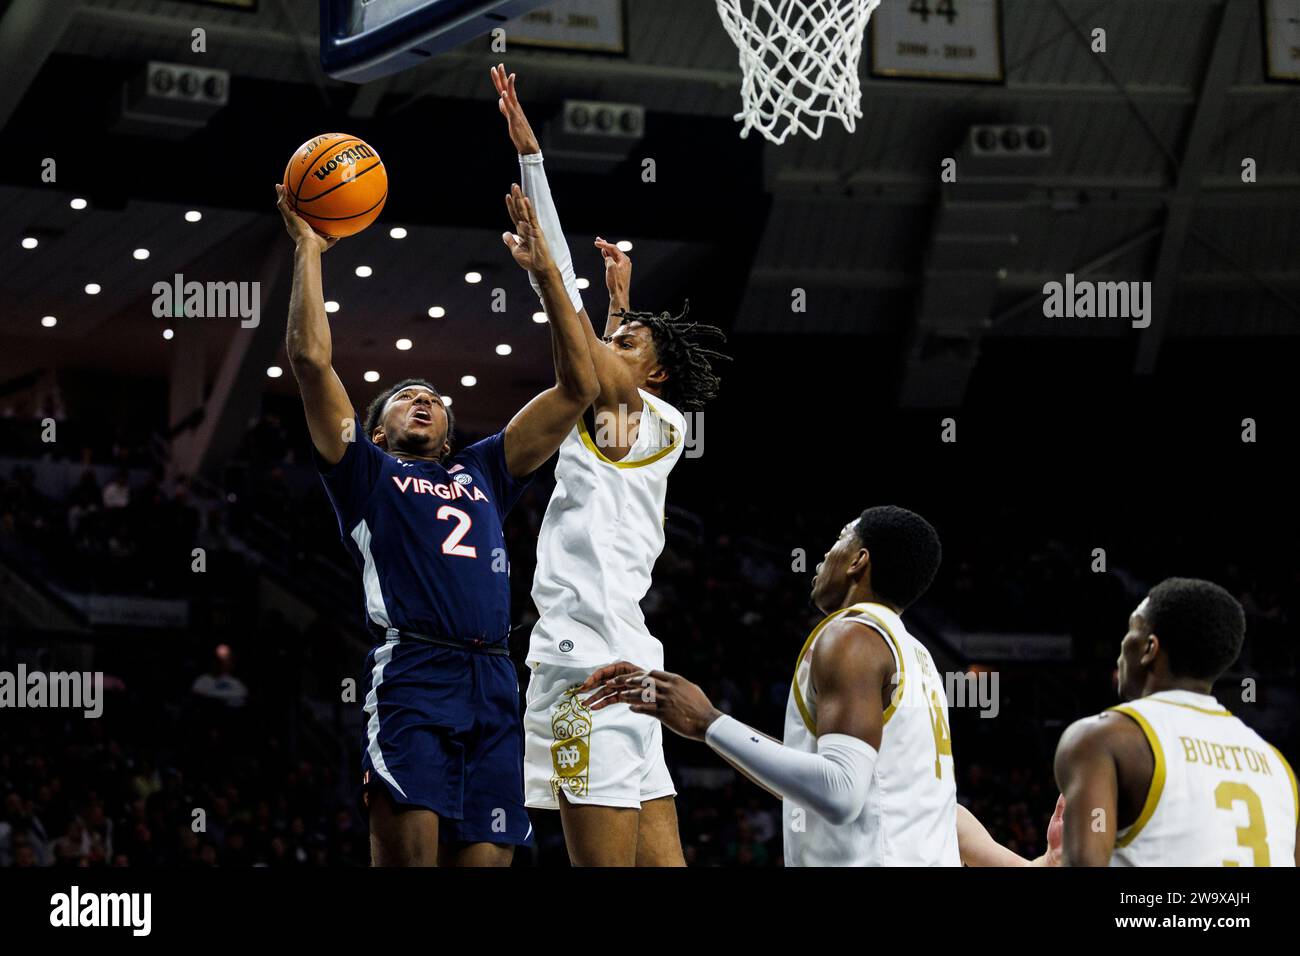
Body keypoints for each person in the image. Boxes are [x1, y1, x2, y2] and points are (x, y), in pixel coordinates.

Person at [275, 175, 599, 866]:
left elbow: (581, 388)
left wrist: (547, 279)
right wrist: (308, 248)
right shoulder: (365, 473)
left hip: (495, 678)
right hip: (416, 672)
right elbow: (309, 361)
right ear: (378, 431)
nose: (422, 398)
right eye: (403, 397)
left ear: (450, 433)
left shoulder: (482, 469)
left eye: (434, 397)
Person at [491, 64, 729, 866]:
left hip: (581, 664)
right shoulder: (652, 421)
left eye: (623, 339)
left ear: (652, 373)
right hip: (634, 663)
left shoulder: (624, 405)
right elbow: (604, 371)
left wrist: (538, 192)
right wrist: (620, 305)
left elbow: (589, 368)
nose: (606, 338)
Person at [583, 506, 1061, 866]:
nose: (825, 553)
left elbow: (839, 792)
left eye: (839, 539)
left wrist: (710, 723)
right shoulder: (919, 657)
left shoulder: (850, 636)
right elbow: (914, 799)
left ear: (858, 561)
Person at [1054, 577, 1298, 866]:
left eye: (1132, 629)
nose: (1122, 644)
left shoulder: (1101, 738)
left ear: (1150, 649)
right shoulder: (1278, 767)